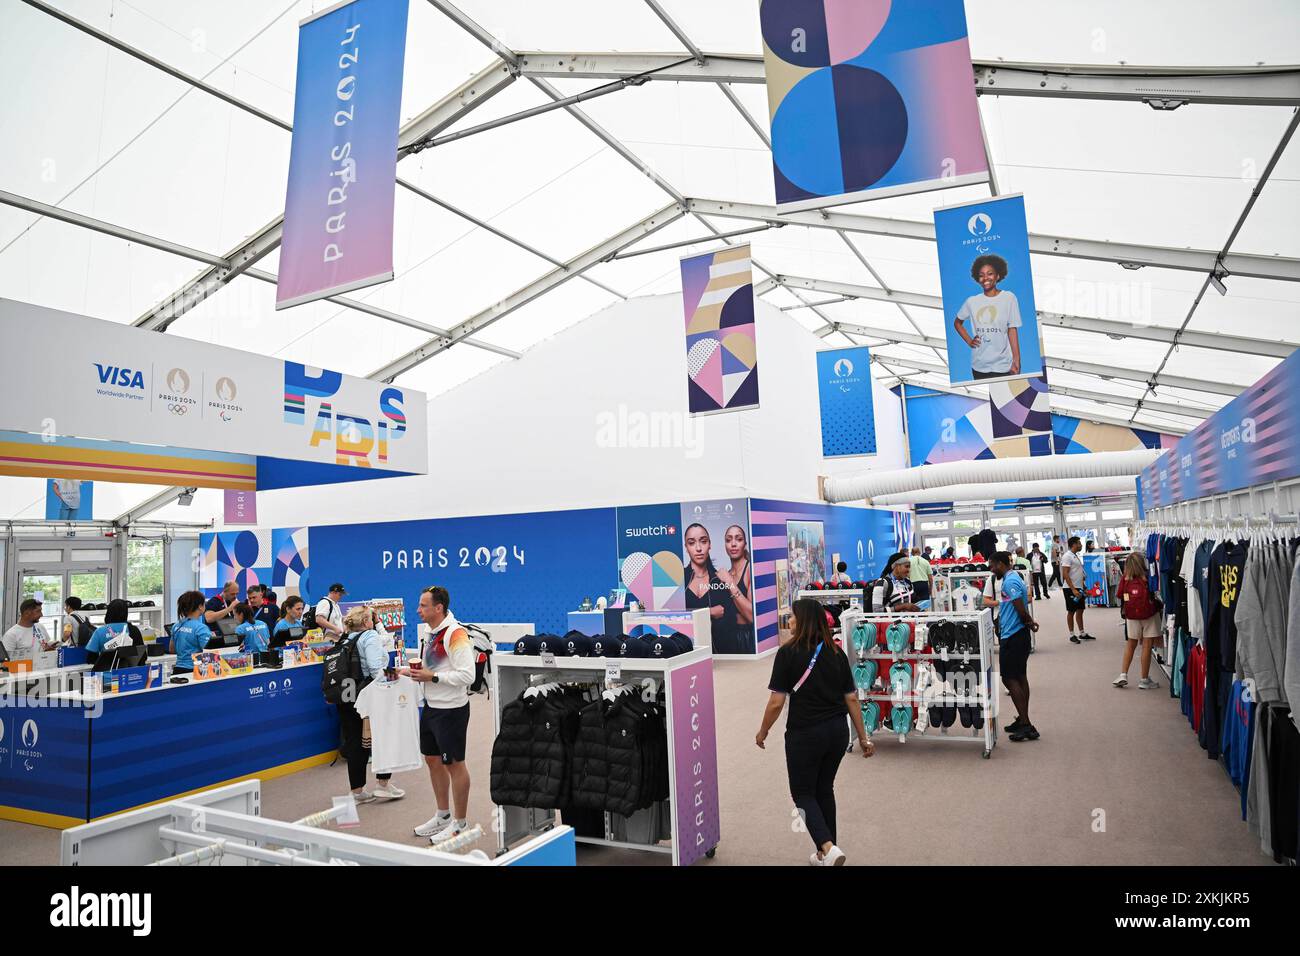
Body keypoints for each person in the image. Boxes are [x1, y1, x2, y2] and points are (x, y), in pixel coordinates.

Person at [757, 598, 873, 866]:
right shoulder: (836, 652)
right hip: (837, 733)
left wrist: (762, 731)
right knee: (824, 789)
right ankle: (826, 853)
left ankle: (827, 846)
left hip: (805, 734)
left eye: (793, 615)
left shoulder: (787, 653)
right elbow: (852, 699)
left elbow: (777, 702)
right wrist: (863, 737)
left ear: (805, 619)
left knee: (802, 794)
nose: (790, 620)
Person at [400, 586, 476, 844]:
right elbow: (430, 666)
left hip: (452, 710)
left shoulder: (456, 633)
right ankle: (443, 815)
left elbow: (468, 675)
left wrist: (432, 677)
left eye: (422, 605)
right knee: (432, 760)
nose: (418, 610)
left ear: (438, 607)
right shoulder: (428, 632)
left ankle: (460, 823)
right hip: (431, 706)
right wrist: (406, 671)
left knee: (454, 764)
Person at [337, 605, 405, 803]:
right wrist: (398, 675)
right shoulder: (370, 637)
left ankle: (357, 791)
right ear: (367, 622)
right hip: (370, 695)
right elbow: (377, 670)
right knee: (384, 737)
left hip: (348, 696)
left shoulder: (345, 638)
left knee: (355, 742)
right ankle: (383, 784)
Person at [984, 552, 1039, 741]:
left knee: (1009, 679)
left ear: (1001, 564)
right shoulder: (1011, 578)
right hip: (1015, 634)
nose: (991, 569)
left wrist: (1030, 623)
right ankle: (1023, 719)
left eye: (992, 565)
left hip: (1014, 636)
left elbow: (1020, 608)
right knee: (1020, 676)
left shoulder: (1010, 582)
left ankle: (1026, 724)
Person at [952, 254, 1022, 380]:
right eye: (981, 275)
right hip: (979, 366)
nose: (985, 278)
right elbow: (957, 323)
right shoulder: (971, 302)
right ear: (977, 279)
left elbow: (1012, 329)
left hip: (1003, 366)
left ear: (998, 276)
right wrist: (969, 341)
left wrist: (1016, 360)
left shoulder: (1009, 298)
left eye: (990, 274)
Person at [683, 523, 742, 653]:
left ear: (709, 544)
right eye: (692, 543)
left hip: (721, 653)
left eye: (703, 542)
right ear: (686, 547)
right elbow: (672, 615)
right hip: (686, 649)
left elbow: (731, 618)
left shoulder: (720, 579)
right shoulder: (679, 581)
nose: (698, 548)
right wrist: (708, 612)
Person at [1113, 553, 1163, 689]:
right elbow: (1157, 591)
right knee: (1147, 646)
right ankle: (1144, 680)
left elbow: (1119, 595)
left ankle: (1123, 674)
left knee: (1131, 644)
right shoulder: (1148, 576)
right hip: (1149, 614)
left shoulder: (1126, 578)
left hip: (1131, 616)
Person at [85, 598, 143, 666]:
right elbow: (142, 656)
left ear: (108, 612)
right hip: (129, 673)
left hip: (105, 673)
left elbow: (91, 659)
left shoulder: (99, 632)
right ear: (126, 613)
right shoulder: (133, 630)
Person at [725, 524, 755, 643]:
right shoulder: (725, 575)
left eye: (739, 539)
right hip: (727, 637)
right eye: (728, 540)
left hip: (746, 637)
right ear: (725, 545)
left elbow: (752, 616)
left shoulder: (750, 569)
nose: (733, 544)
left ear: (745, 544)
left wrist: (729, 582)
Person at [1060, 536, 1092, 643]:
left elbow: (1079, 574)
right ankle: (1072, 634)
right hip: (1070, 589)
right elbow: (1065, 573)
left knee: (1080, 610)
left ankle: (1082, 633)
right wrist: (1073, 589)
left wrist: (1084, 588)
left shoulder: (1075, 556)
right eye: (1079, 543)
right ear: (1073, 544)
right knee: (1071, 611)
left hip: (1079, 588)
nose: (1081, 545)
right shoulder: (1067, 556)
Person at [172, 590, 214, 672]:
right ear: (200, 606)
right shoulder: (201, 628)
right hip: (195, 671)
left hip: (178, 670)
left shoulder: (176, 626)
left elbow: (172, 649)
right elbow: (210, 655)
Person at [3, 599, 52, 663]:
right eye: (38, 611)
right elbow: (5, 662)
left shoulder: (40, 627)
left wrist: (49, 648)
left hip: (42, 667)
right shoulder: (11, 635)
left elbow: (46, 646)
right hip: (22, 670)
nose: (41, 615)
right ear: (26, 613)